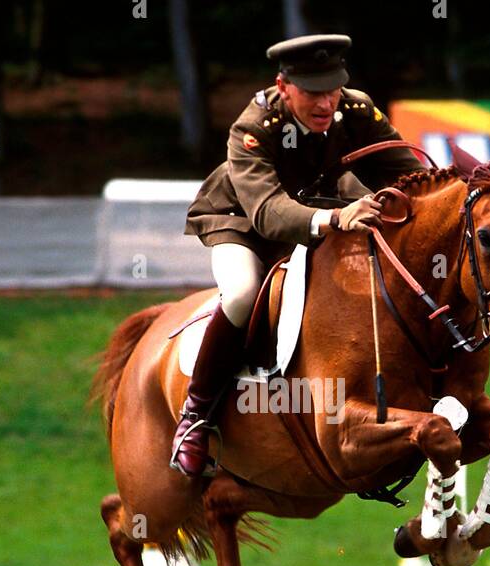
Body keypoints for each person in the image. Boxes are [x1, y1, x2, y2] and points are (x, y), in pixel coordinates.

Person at [174, 33, 428, 477]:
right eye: (312, 92)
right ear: (284, 86)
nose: (325, 103)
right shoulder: (254, 127)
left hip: (323, 214)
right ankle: (194, 418)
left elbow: (410, 174)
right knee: (242, 293)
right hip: (241, 223)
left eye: (332, 89)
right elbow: (269, 213)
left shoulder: (357, 109)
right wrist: (335, 219)